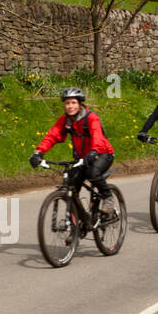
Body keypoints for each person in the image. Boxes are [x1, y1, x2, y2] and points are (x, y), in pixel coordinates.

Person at [29, 87, 116, 223]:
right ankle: (78, 222)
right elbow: (53, 136)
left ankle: (108, 197)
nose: (70, 106)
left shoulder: (91, 117)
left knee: (92, 173)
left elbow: (97, 135)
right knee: (70, 184)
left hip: (102, 153)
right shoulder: (65, 120)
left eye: (73, 103)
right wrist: (38, 152)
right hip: (82, 158)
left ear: (80, 104)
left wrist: (94, 152)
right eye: (67, 103)